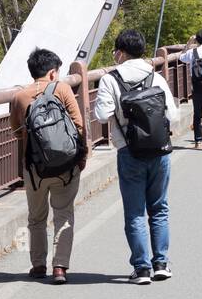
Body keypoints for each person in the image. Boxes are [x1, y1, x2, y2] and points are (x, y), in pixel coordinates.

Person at [94, 28, 181, 284]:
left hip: (129, 152)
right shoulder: (156, 77)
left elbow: (101, 115)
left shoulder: (111, 79)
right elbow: (173, 116)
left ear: (119, 52)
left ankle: (142, 269)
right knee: (160, 207)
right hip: (159, 152)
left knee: (135, 212)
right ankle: (161, 264)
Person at [10, 48, 87, 285]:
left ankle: (38, 265)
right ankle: (60, 267)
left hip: (35, 169)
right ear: (53, 73)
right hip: (66, 166)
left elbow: (16, 132)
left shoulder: (19, 97)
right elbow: (79, 125)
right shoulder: (62, 89)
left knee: (36, 218)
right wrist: (81, 156)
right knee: (64, 215)